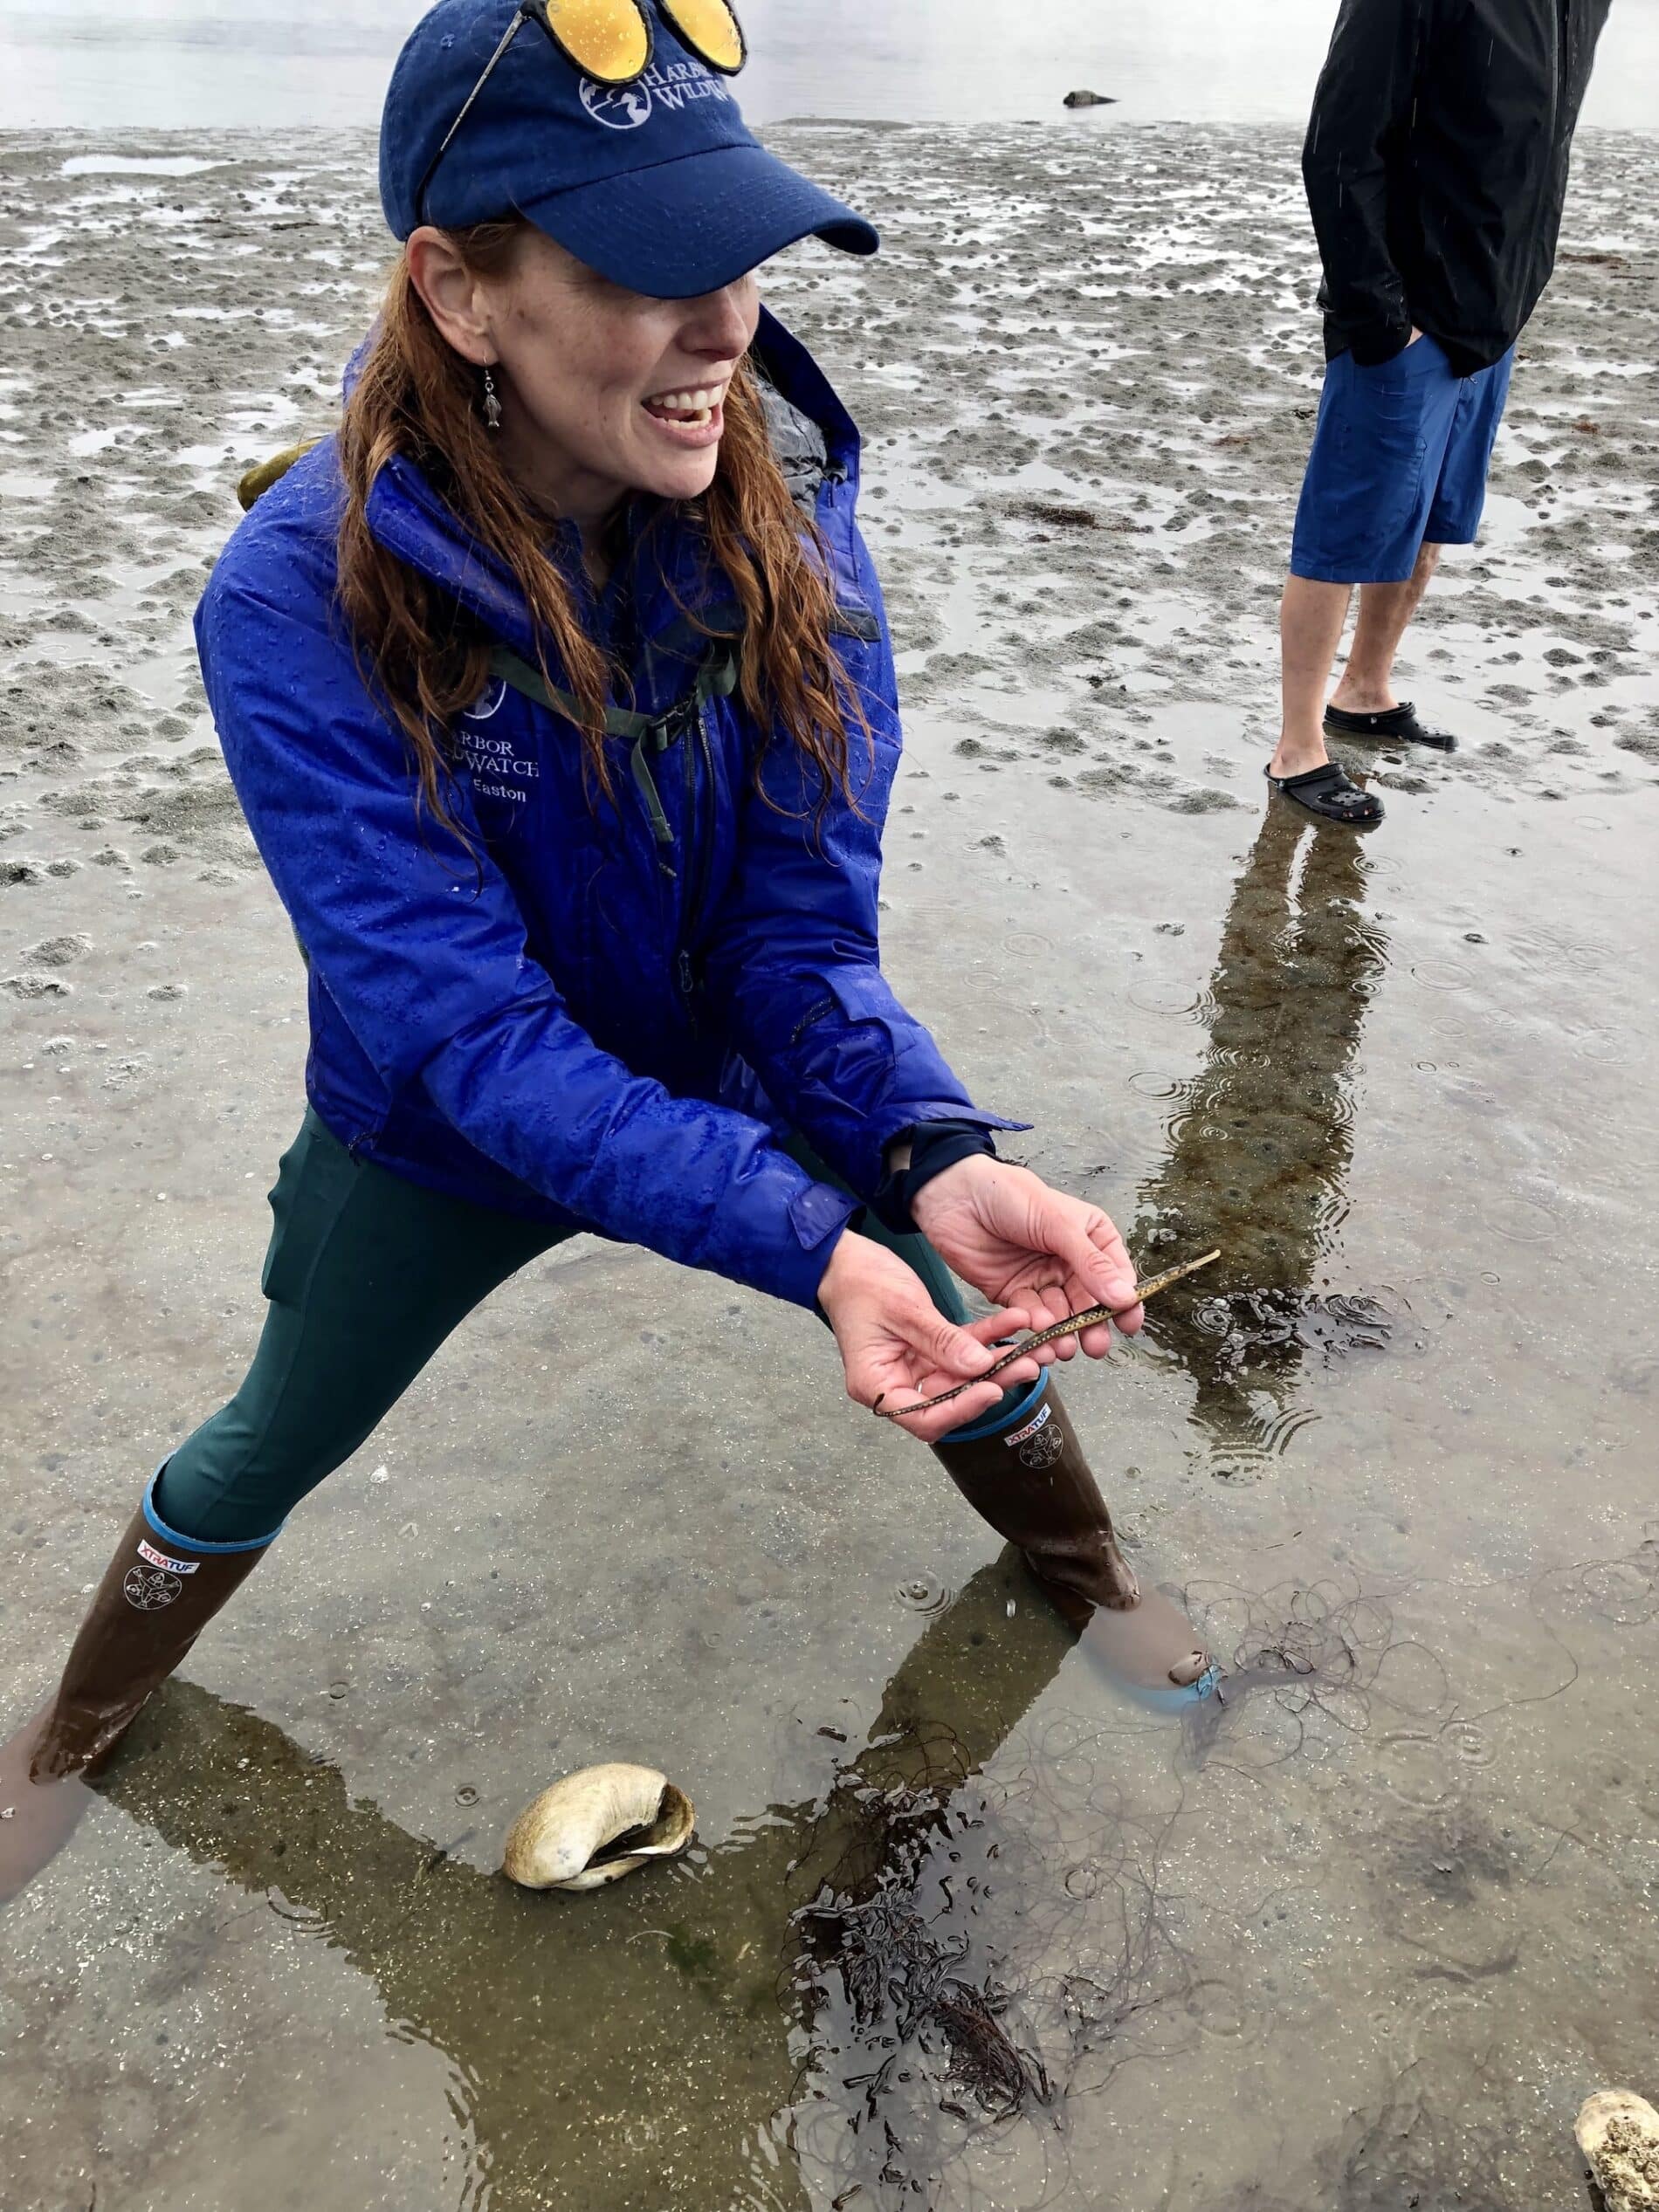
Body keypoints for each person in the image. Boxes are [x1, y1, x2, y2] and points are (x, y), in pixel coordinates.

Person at [0, 0, 1212, 1901]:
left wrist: (922, 1158)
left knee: (970, 1321)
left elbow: (796, 940)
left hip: (730, 1067)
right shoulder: (292, 600)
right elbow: (473, 1034)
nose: (722, 324)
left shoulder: (793, 537)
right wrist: (804, 1240)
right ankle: (66, 1732)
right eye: (645, 268)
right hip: (441, 1127)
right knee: (265, 1440)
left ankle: (1088, 1573)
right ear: (461, 293)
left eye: (732, 253)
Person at [1266, 0, 1611, 826]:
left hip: (1494, 312)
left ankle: (1366, 689)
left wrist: (1515, 295)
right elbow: (1340, 147)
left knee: (1433, 519)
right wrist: (1380, 316)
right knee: (1346, 528)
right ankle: (1297, 748)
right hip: (1404, 316)